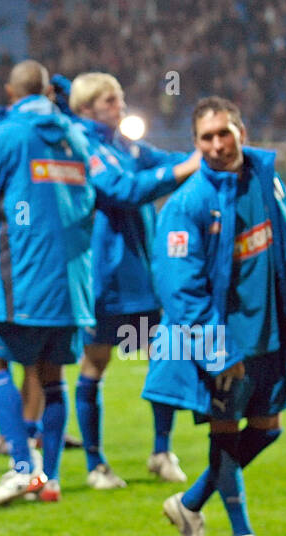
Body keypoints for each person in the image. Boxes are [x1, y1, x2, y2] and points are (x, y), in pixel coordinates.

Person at [145, 97, 286, 536]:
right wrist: (216, 350)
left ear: (241, 132)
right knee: (224, 433)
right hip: (223, 344)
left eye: (224, 133)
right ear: (195, 142)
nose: (217, 144)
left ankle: (188, 505)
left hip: (268, 335)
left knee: (268, 429)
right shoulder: (188, 204)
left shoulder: (269, 185)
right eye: (206, 137)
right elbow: (180, 290)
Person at [0, 60, 95, 507]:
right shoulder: (77, 136)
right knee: (52, 377)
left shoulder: (6, 135)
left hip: (22, 279)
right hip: (72, 283)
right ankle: (48, 479)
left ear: (11, 91)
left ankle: (20, 467)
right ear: (49, 90)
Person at [67, 72, 201, 490]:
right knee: (97, 362)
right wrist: (184, 169)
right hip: (106, 277)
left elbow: (157, 160)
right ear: (87, 108)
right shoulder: (84, 145)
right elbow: (124, 190)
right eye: (111, 101)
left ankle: (161, 451)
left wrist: (199, 156)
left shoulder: (121, 142)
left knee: (164, 355)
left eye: (120, 98)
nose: (120, 107)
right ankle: (96, 464)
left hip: (140, 273)